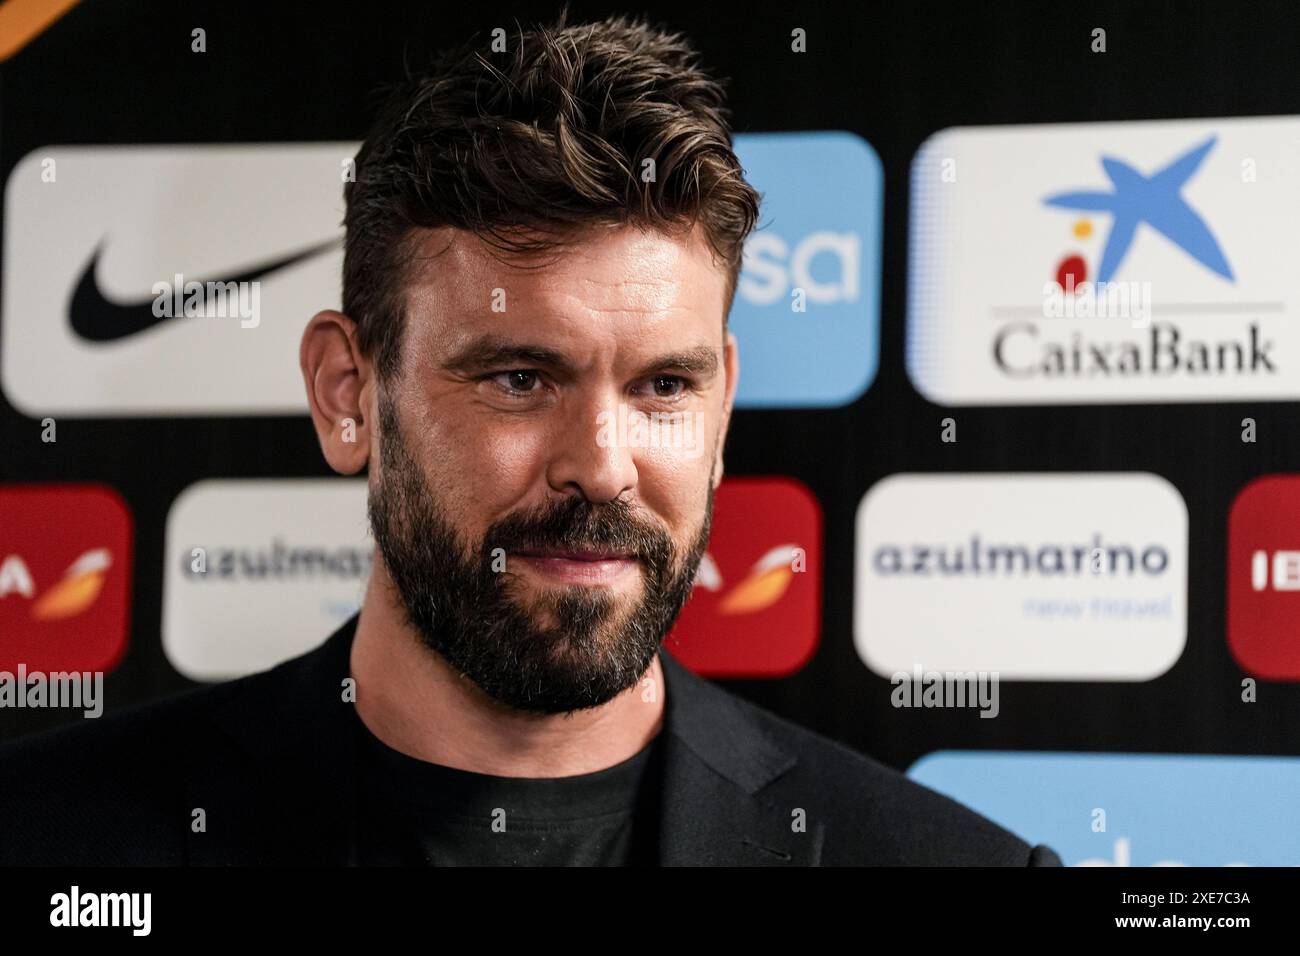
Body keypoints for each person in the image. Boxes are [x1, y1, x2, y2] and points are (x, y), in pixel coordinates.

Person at [0, 10, 1061, 867]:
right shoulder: (48, 840)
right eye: (519, 377)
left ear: (722, 405)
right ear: (346, 392)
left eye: (663, 384)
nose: (601, 462)